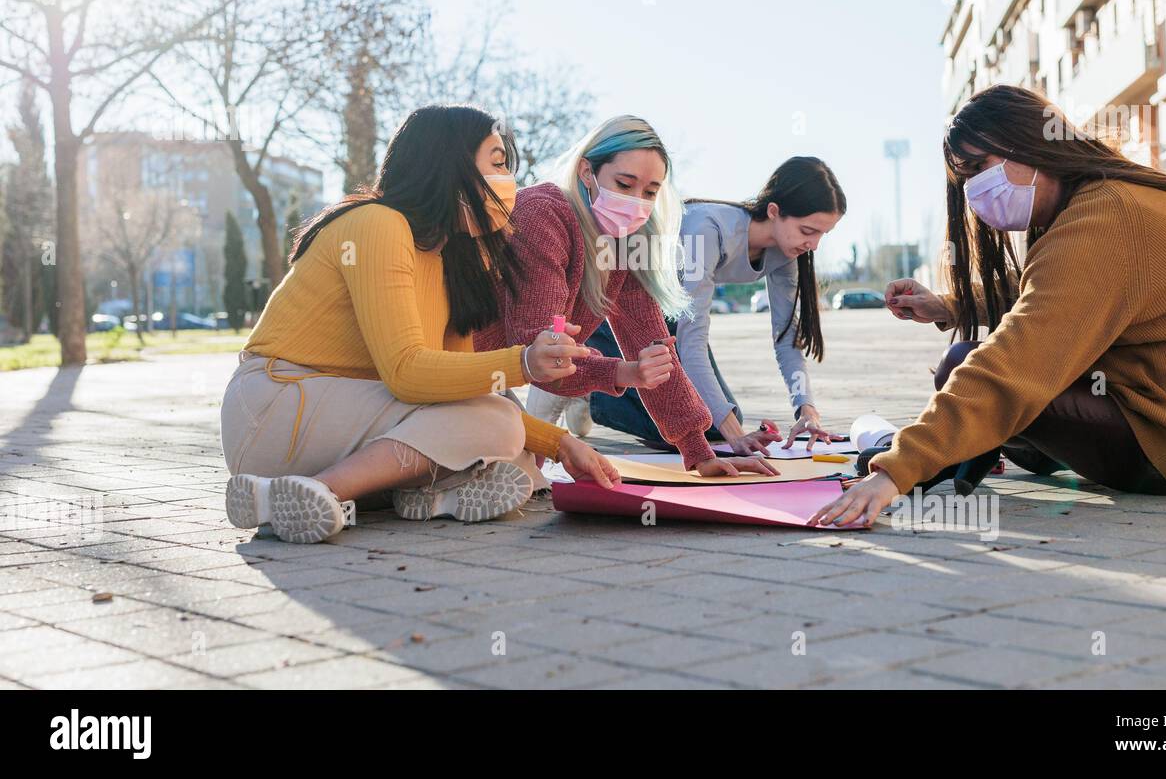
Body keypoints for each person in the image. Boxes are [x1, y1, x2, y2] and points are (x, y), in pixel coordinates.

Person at [813, 84, 1166, 528]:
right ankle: (967, 445)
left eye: (979, 167)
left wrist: (895, 470)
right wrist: (948, 305)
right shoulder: (1106, 200)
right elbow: (1050, 291)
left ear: (1028, 144)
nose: (974, 191)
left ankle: (950, 450)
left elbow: (1016, 359)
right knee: (989, 400)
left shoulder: (1106, 219)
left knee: (965, 364)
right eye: (965, 177)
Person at [220, 104, 619, 544]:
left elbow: (466, 389)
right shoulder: (377, 224)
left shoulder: (458, 259)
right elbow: (408, 373)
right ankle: (314, 492)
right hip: (274, 408)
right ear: (447, 161)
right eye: (498, 163)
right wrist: (524, 362)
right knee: (496, 425)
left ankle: (428, 497)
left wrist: (559, 445)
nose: (510, 183)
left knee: (512, 449)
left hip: (342, 417)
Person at [476, 115, 778, 476]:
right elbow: (538, 357)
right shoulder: (544, 215)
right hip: (446, 369)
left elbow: (652, 348)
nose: (637, 202)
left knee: (522, 471)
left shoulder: (624, 245)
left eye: (650, 192)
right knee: (508, 464)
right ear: (587, 172)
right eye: (624, 183)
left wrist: (700, 453)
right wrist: (623, 372)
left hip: (486, 382)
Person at [582, 156, 846, 456]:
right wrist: (735, 437)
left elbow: (786, 339)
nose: (814, 245)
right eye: (808, 231)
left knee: (717, 421)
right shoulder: (706, 228)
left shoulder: (785, 253)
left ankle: (597, 383)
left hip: (667, 315)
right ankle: (591, 383)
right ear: (774, 211)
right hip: (616, 311)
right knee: (708, 426)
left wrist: (806, 410)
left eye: (823, 234)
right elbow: (692, 340)